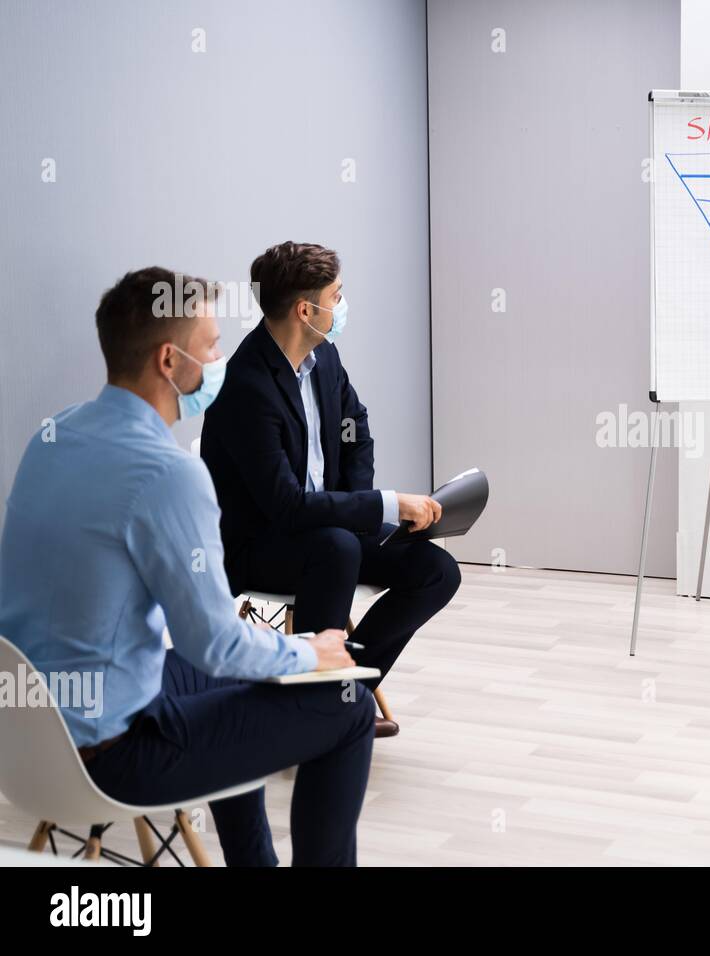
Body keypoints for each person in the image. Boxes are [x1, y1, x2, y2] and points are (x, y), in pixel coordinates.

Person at [0, 268, 375, 866]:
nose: (223, 358)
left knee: (246, 678)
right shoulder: (167, 473)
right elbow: (213, 645)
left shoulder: (54, 436)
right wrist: (313, 652)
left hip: (23, 736)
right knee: (348, 702)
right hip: (112, 757)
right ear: (170, 363)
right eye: (212, 345)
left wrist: (284, 651)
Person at [200, 242, 461, 736]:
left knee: (436, 570)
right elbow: (284, 506)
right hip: (259, 545)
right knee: (337, 546)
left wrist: (361, 509)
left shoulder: (325, 358)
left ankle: (340, 700)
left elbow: (356, 431)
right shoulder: (245, 386)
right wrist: (381, 506)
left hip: (328, 535)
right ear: (306, 309)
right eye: (336, 296)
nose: (341, 306)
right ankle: (313, 719)